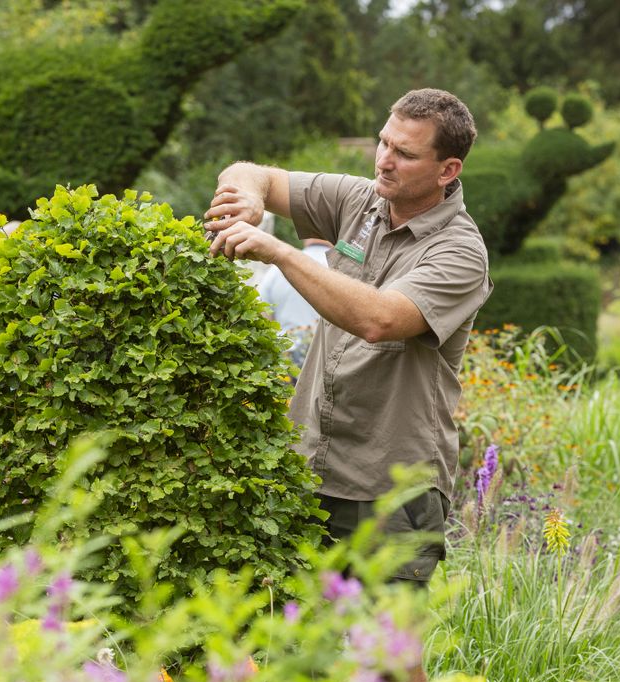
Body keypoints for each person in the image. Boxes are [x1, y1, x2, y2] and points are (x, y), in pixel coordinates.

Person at [203, 88, 491, 590]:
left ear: (447, 170)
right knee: (294, 629)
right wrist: (248, 196)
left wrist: (281, 253)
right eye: (384, 142)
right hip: (310, 473)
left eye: (405, 153)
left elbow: (379, 320)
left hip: (392, 491)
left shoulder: (460, 251)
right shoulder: (360, 201)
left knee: (382, 641)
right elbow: (252, 172)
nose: (384, 160)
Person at [254, 237, 330, 367]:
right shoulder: (340, 271)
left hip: (285, 362)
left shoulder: (277, 270)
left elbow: (261, 315)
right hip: (323, 361)